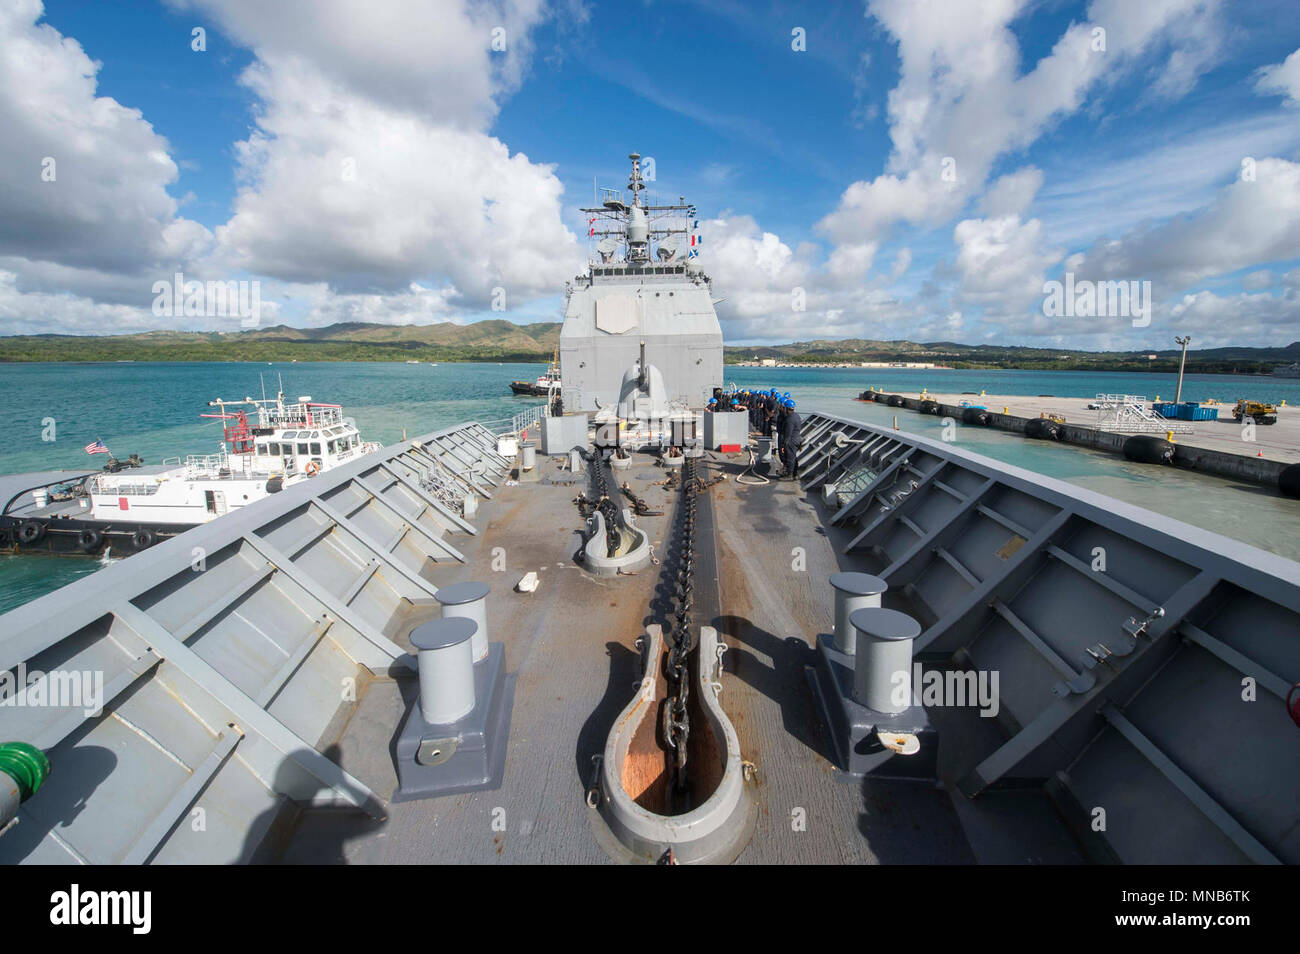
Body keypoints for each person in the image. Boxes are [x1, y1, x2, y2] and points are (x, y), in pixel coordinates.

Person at [779, 398, 802, 480]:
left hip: (791, 441)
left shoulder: (789, 419)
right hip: (797, 439)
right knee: (793, 457)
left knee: (790, 458)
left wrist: (783, 445)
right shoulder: (796, 416)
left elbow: (788, 433)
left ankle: (789, 475)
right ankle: (795, 474)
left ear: (786, 408)